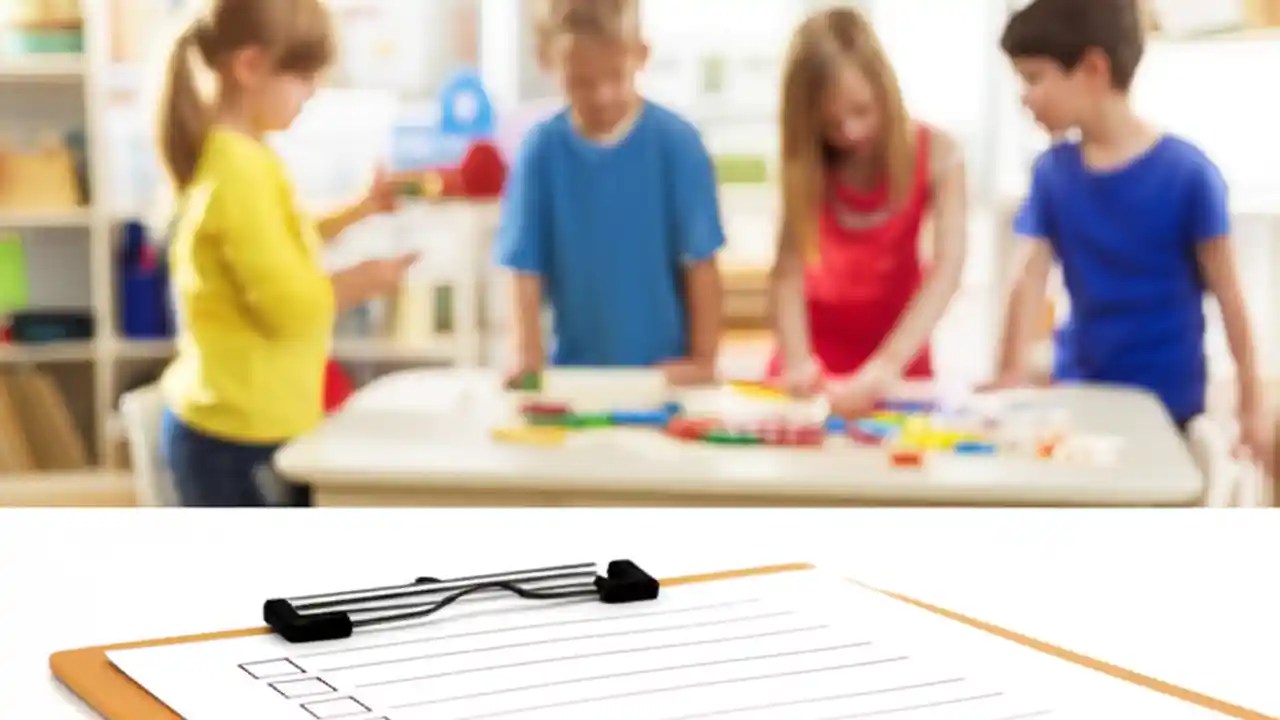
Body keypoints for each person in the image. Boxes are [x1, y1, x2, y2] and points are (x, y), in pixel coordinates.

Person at [992, 0, 1271, 471]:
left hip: (1168, 410)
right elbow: (1026, 280)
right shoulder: (1052, 175)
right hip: (1080, 401)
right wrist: (1010, 376)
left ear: (1093, 69)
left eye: (1034, 78)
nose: (1024, 97)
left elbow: (1230, 299)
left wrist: (1251, 407)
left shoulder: (1189, 174)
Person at [157, 0, 416, 507]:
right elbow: (289, 308)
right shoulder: (238, 174)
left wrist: (359, 210)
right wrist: (361, 282)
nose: (313, 92)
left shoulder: (245, 157)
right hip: (234, 437)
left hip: (247, 424)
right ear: (250, 67)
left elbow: (281, 243)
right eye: (302, 76)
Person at [494, 0, 726, 387]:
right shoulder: (540, 152)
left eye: (616, 77)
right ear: (547, 63)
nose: (602, 96)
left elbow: (701, 264)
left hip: (665, 377)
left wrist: (703, 361)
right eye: (581, 82)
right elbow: (524, 270)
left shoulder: (678, 145)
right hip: (575, 376)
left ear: (641, 54)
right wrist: (526, 357)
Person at [769, 6, 969, 418]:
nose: (849, 131)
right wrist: (798, 362)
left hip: (899, 363)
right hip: (813, 368)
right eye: (830, 123)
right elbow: (787, 274)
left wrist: (886, 367)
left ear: (885, 89)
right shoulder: (807, 163)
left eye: (861, 111)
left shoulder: (939, 155)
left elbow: (947, 269)